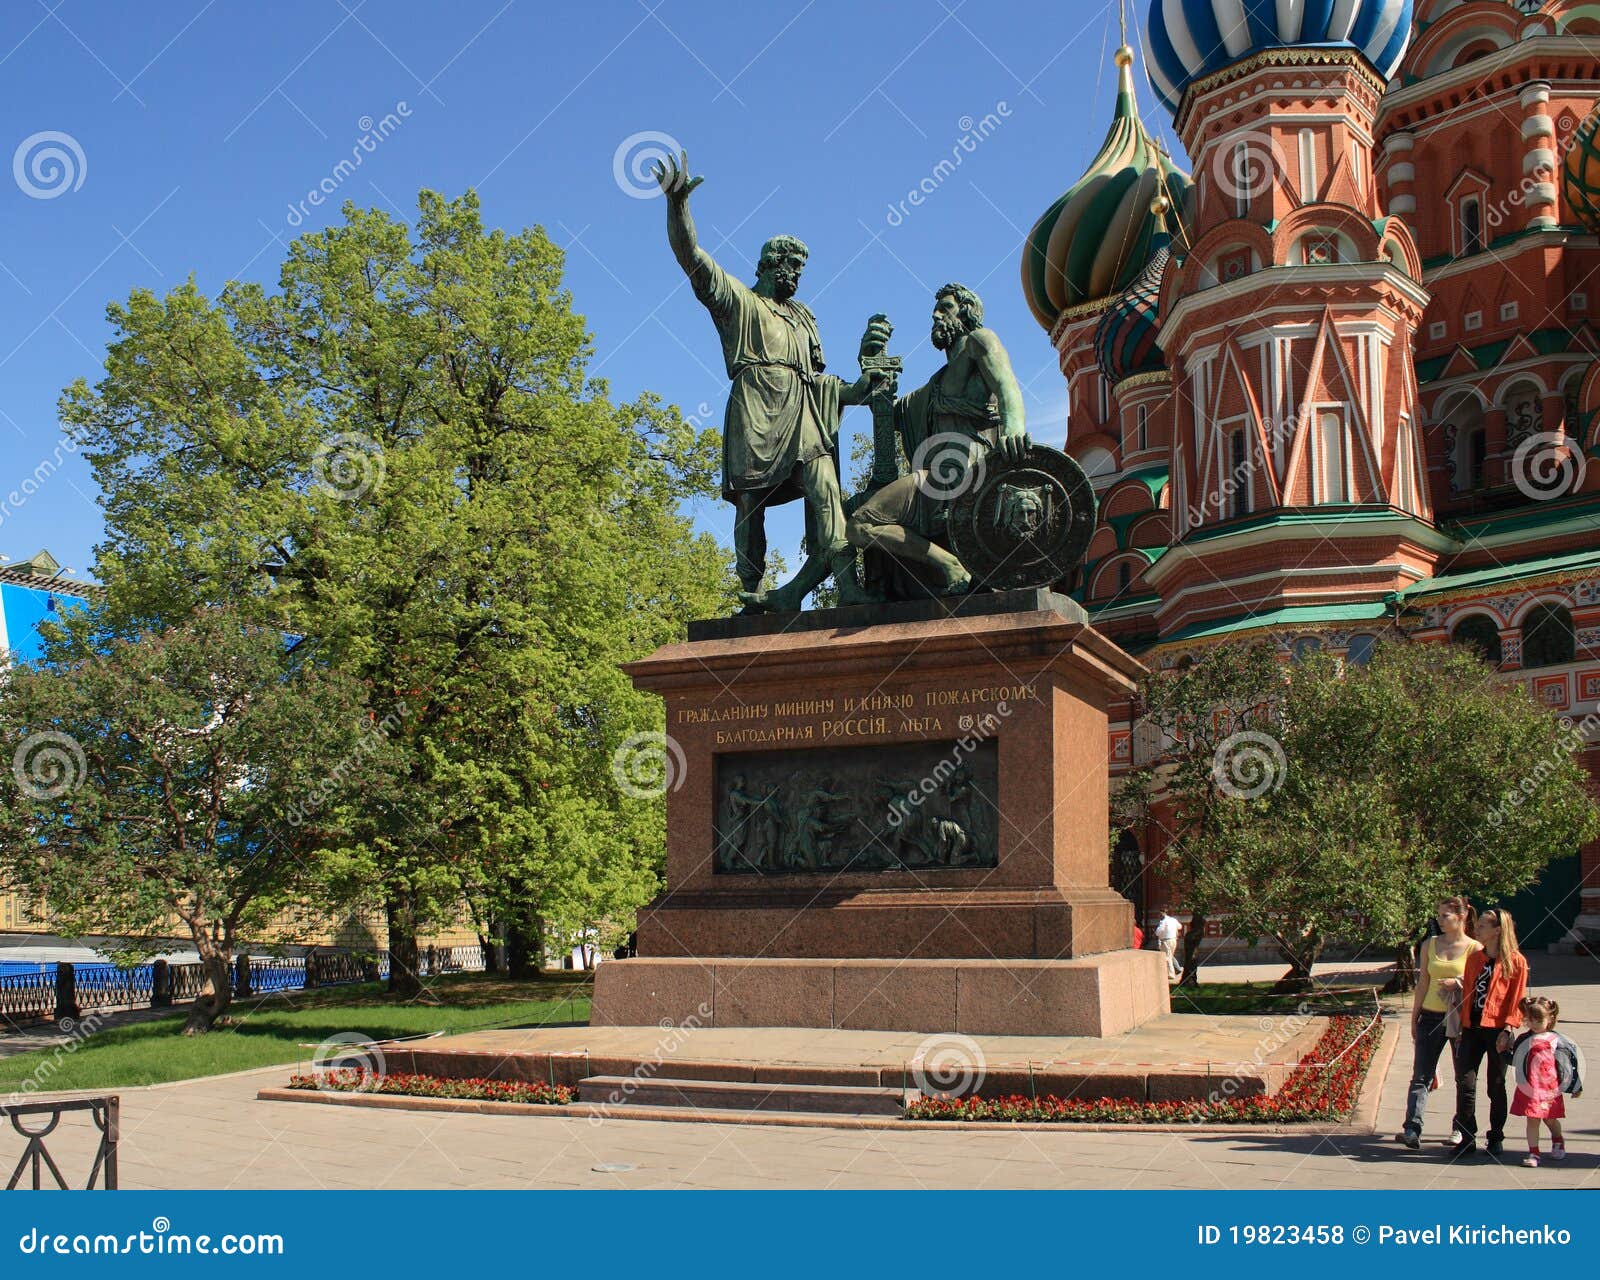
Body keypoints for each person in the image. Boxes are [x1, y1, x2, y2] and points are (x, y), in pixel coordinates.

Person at [845, 284, 1029, 595]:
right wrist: (871, 366)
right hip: (933, 479)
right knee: (855, 521)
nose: (936, 315)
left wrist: (1014, 425)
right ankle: (947, 564)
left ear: (967, 312)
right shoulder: (934, 386)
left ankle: (951, 566)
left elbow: (1006, 383)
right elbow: (889, 413)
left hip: (967, 470)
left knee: (860, 524)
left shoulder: (979, 341)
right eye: (937, 309)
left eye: (945, 308)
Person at [1396, 895, 1480, 1149]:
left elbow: (1479, 985)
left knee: (1462, 1076)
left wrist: (1459, 982)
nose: (1440, 920)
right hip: (1430, 1015)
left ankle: (1460, 1128)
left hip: (1458, 1019)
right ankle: (1412, 1128)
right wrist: (1415, 1017)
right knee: (1421, 1074)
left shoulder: (1474, 948)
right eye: (1438, 915)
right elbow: (1422, 983)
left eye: (1446, 915)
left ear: (1462, 916)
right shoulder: (1429, 944)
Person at [1452, 906, 1528, 1158]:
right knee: (1465, 1083)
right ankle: (1466, 1136)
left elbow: (1517, 1000)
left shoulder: (1516, 961)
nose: (1477, 929)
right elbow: (1467, 995)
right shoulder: (1475, 958)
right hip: (1472, 1028)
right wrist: (1463, 1027)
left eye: (1483, 926)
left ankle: (1495, 1137)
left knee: (1496, 1086)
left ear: (1497, 930)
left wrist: (1508, 1030)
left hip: (1498, 1031)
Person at [1510, 996, 1581, 1167]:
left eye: (1538, 1020)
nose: (1533, 1024)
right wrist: (1504, 1052)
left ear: (1550, 1019)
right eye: (1530, 1020)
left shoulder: (1557, 1040)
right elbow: (1515, 1060)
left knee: (1550, 1119)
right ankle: (1534, 1153)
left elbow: (1567, 1064)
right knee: (1532, 1119)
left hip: (1549, 1088)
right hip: (1529, 1087)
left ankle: (1557, 1139)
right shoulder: (1524, 1039)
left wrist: (1575, 1085)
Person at [1153, 906, 1182, 980]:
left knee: (1167, 957)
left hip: (1166, 941)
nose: (1158, 916)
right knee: (1170, 955)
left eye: (1159, 914)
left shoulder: (1163, 921)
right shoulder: (1173, 920)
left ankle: (1171, 974)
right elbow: (1180, 926)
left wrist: (1156, 932)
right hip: (1173, 940)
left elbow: (1158, 932)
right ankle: (1176, 969)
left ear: (1162, 913)